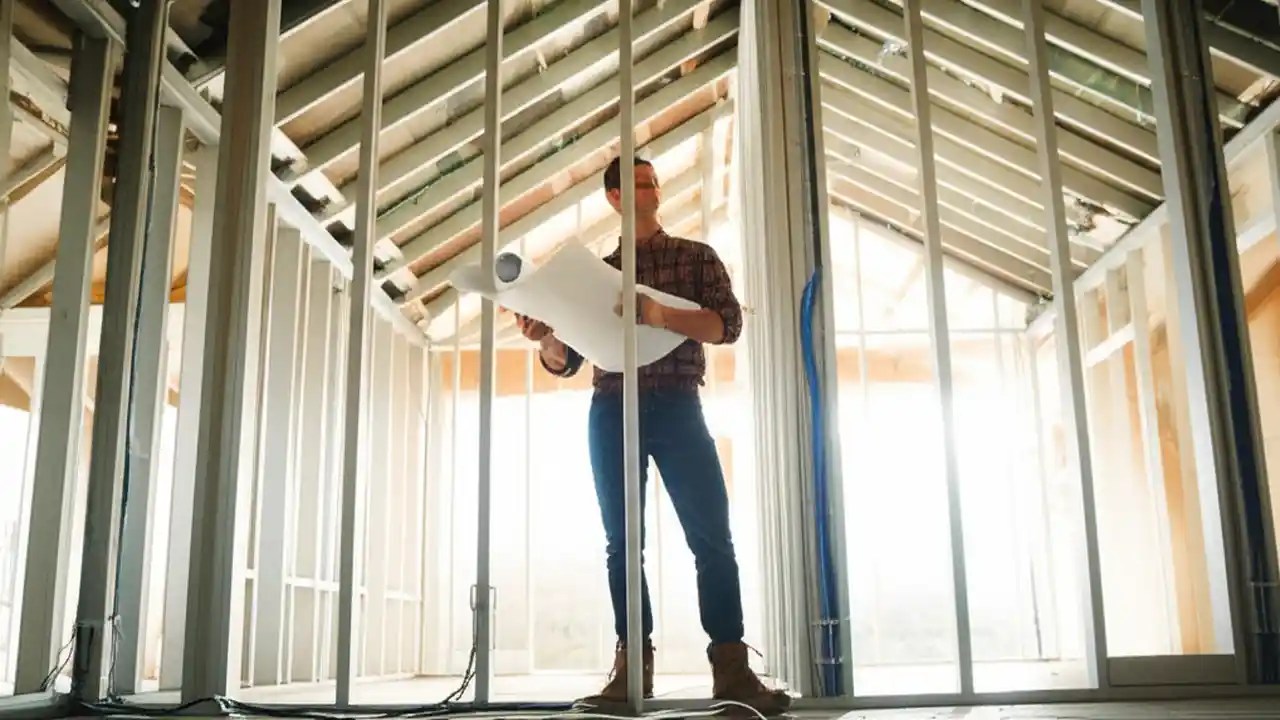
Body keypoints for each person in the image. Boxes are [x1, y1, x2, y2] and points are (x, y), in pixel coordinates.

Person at [515, 156, 789, 713]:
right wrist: (543, 339)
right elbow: (565, 362)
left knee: (712, 538)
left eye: (654, 180)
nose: (652, 187)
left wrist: (660, 315)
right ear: (614, 197)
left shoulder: (695, 258)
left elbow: (726, 326)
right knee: (623, 543)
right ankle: (631, 672)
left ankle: (732, 671)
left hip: (678, 407)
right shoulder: (599, 273)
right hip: (613, 408)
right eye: (638, 182)